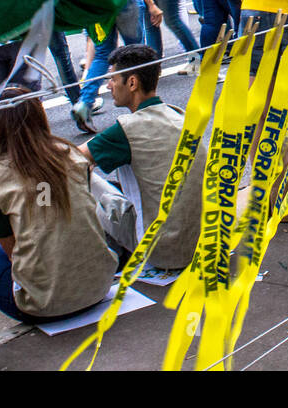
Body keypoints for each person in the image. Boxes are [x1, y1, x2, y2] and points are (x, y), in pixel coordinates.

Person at [0, 88, 117, 321]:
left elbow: (11, 252)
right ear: (40, 119)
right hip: (100, 287)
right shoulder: (71, 155)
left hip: (40, 306)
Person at [77, 45, 204, 271]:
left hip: (163, 250)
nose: (108, 86)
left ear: (132, 83)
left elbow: (73, 159)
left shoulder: (126, 129)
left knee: (80, 173)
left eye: (112, 79)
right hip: (204, 242)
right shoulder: (178, 114)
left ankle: (102, 260)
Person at [71, 0, 157, 133]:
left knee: (102, 55)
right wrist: (151, 4)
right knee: (137, 54)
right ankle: (146, 106)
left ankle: (84, 102)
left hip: (97, 3)